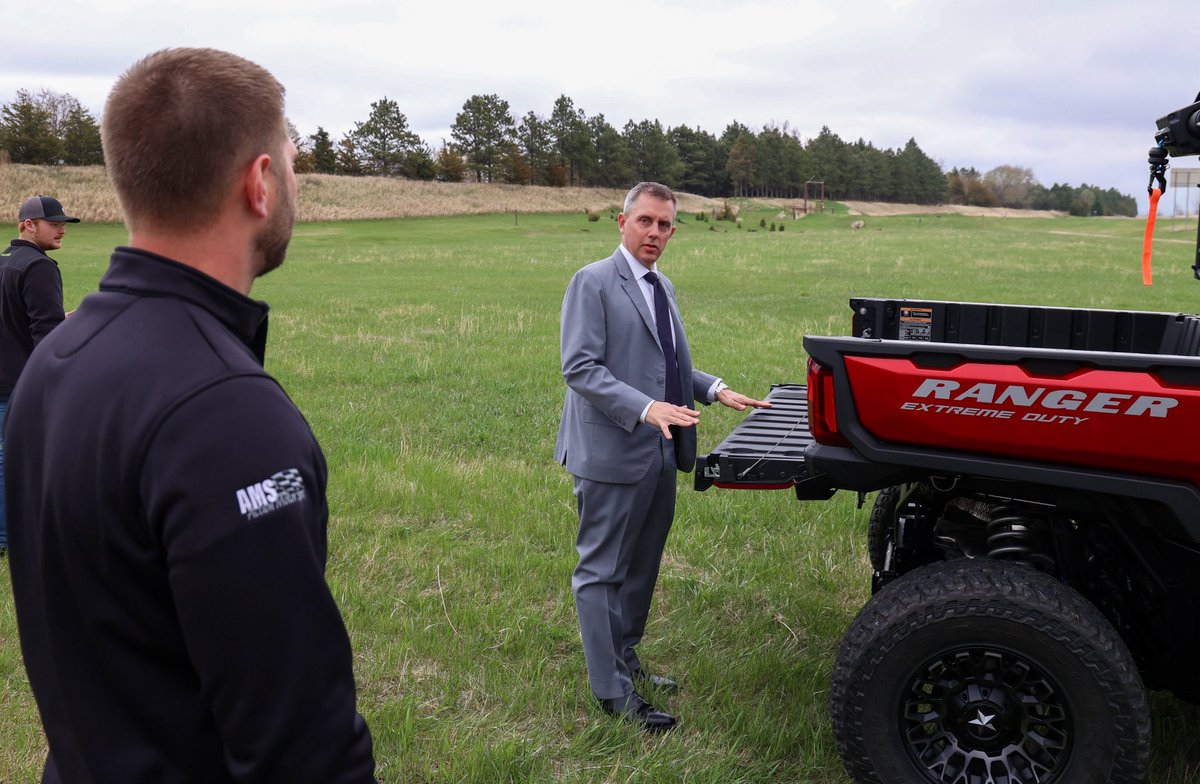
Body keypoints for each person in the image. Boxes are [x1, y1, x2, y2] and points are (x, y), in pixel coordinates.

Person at [4, 48, 376, 783]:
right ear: (261, 183)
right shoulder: (227, 415)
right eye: (293, 162)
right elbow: (301, 747)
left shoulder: (57, 361)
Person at [555, 181, 770, 731]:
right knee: (602, 570)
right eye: (645, 221)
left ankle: (626, 661)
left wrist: (713, 389)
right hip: (611, 450)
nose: (655, 232)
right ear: (621, 222)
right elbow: (581, 368)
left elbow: (664, 362)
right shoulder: (594, 281)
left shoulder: (661, 284)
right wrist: (648, 407)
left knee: (642, 565)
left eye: (665, 225)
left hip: (659, 447)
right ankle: (612, 694)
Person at [0, 195, 79, 557]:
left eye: (64, 222)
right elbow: (44, 337)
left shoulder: (5, 262)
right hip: (21, 383)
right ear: (28, 225)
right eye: (55, 223)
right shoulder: (40, 267)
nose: (62, 228)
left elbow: (14, 318)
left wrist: (66, 317)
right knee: (24, 460)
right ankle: (9, 538)